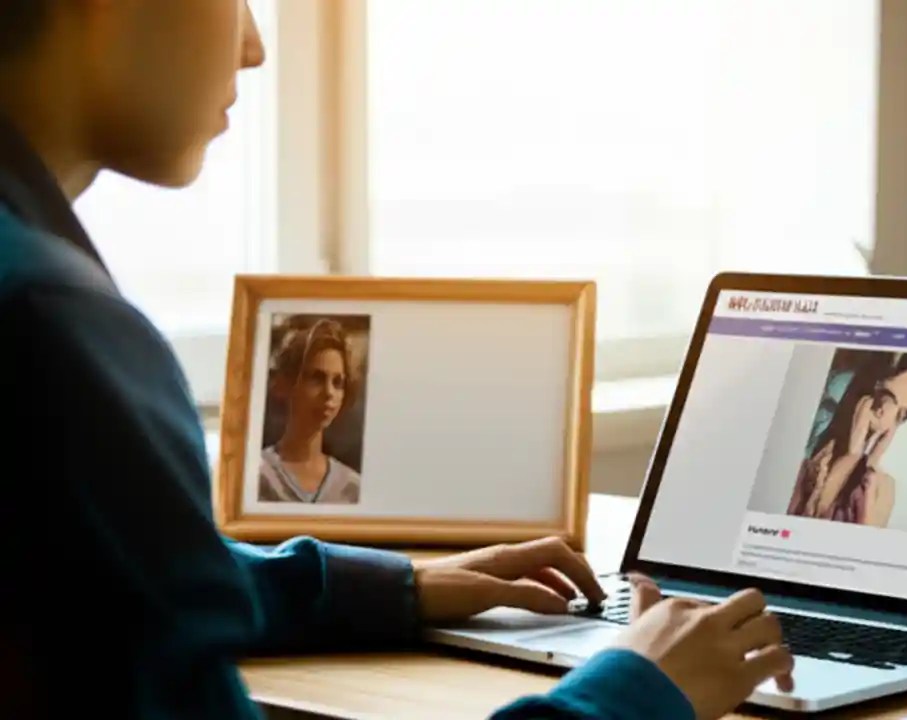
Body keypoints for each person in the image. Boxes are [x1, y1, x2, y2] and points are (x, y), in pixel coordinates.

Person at [0, 2, 794, 719]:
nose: (253, 47)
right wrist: (634, 688)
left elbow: (85, 599)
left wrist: (401, 588)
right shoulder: (54, 333)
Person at [787, 352, 907, 527]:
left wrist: (866, 462)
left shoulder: (881, 489)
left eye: (901, 414)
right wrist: (850, 457)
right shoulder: (807, 449)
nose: (884, 413)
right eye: (886, 396)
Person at [259, 318, 362, 504]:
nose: (329, 393)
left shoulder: (353, 488)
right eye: (316, 378)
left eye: (338, 383)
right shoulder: (258, 476)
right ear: (285, 385)